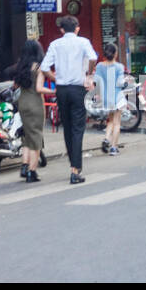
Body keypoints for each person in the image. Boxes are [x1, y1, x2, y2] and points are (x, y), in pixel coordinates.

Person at [41, 15, 98, 184]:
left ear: (62, 30)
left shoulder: (55, 44)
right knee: (78, 128)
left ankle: (73, 165)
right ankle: (75, 169)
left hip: (62, 90)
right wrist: (88, 74)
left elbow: (44, 68)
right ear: (77, 29)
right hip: (77, 89)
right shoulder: (83, 42)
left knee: (67, 127)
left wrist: (54, 78)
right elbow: (93, 58)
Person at [13, 39, 52, 182]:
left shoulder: (20, 66)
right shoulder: (39, 67)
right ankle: (32, 171)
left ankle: (25, 165)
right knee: (36, 138)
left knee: (28, 136)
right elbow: (39, 89)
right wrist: (54, 92)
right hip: (35, 103)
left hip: (22, 103)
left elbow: (15, 86)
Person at [93, 44, 127, 155]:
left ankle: (106, 138)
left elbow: (96, 81)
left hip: (106, 98)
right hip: (117, 97)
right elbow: (120, 83)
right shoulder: (119, 67)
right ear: (115, 54)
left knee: (110, 121)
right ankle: (113, 147)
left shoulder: (99, 66)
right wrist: (126, 82)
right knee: (117, 123)